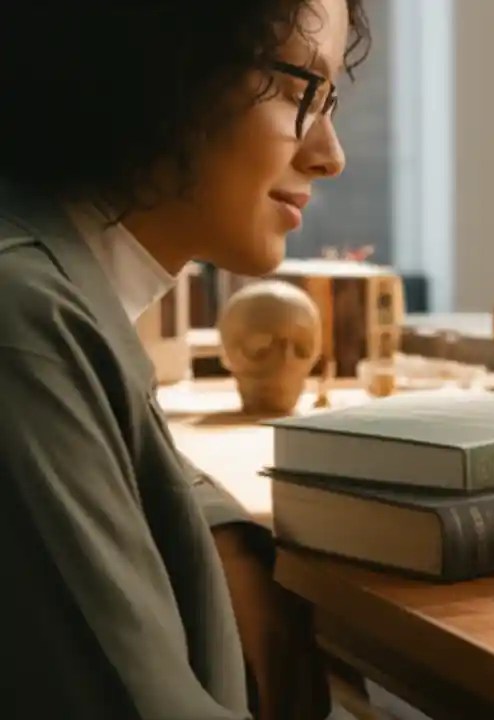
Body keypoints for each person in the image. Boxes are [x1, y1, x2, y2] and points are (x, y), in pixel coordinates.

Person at [0, 1, 369, 718]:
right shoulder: (27, 322)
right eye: (299, 92)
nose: (330, 153)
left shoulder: (56, 281)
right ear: (163, 66)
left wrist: (219, 530)